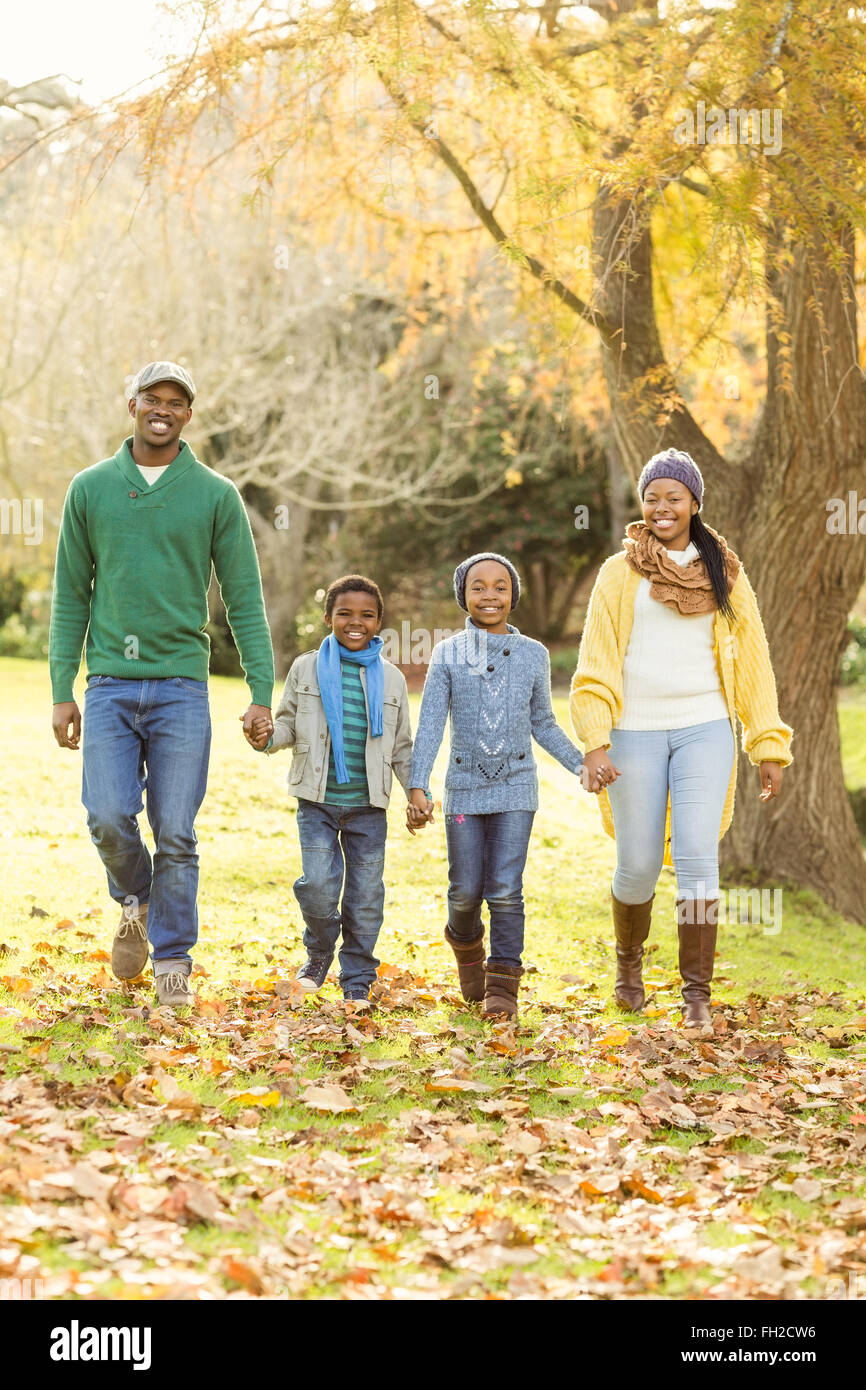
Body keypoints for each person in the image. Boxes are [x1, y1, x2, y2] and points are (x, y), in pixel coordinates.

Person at [49, 361, 275, 1008]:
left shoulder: (215, 495)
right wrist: (62, 689)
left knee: (176, 828)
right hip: (111, 686)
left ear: (188, 415)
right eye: (153, 397)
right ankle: (136, 899)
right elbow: (70, 596)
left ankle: (173, 959)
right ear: (132, 404)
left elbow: (244, 600)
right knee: (107, 815)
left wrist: (261, 689)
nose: (163, 408)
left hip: (182, 688)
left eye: (176, 401)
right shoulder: (90, 489)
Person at [570, 448, 793, 1025]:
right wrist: (596, 740)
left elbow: (754, 665)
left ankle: (697, 996)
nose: (662, 507)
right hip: (633, 733)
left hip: (705, 728)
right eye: (652, 497)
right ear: (643, 504)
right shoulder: (618, 575)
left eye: (674, 497)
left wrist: (766, 744)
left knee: (697, 857)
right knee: (639, 864)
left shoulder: (725, 573)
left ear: (694, 503)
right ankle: (628, 964)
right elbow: (593, 664)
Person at [407, 552, 584, 1020]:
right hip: (463, 789)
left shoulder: (534, 656)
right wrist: (416, 785)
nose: (490, 595)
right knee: (465, 890)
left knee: (505, 888)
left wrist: (581, 765)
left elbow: (543, 722)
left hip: (516, 787)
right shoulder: (446, 653)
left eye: (500, 586)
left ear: (514, 594)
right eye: (478, 586)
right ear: (463, 593)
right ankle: (467, 948)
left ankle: (503, 986)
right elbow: (429, 724)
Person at [248, 575, 424, 1006]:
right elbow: (287, 721)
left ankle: (358, 978)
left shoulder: (394, 680)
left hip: (368, 806)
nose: (355, 622)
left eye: (366, 615)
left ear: (379, 621)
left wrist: (416, 792)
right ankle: (319, 952)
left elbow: (402, 746)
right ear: (328, 618)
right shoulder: (306, 668)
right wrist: (268, 735)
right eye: (344, 613)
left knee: (365, 896)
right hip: (317, 801)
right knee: (319, 887)